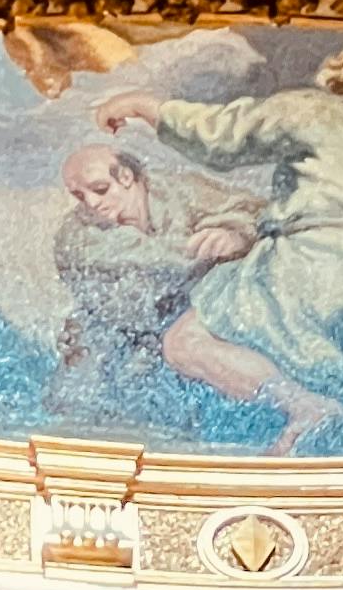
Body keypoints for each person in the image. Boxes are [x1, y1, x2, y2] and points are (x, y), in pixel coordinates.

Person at [94, 35, 343, 451]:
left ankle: (306, 408)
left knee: (186, 342)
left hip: (311, 265)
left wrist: (145, 106)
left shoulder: (315, 110)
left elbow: (222, 136)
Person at [45, 138, 255, 427]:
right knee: (84, 410)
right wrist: (220, 241)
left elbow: (254, 209)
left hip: (188, 316)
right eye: (80, 196)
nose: (91, 203)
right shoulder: (78, 236)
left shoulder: (177, 190)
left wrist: (237, 233)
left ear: (127, 177)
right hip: (111, 334)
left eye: (99, 189)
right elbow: (169, 260)